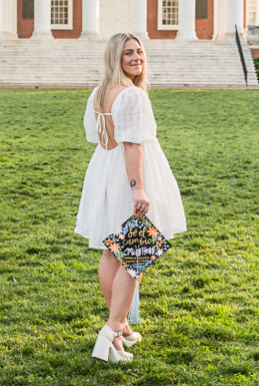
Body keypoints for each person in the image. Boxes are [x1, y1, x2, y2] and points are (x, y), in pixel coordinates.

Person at [75, 32, 187, 363]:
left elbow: (96, 136)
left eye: (139, 51)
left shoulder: (98, 93)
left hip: (104, 171)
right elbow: (132, 145)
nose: (137, 57)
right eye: (128, 53)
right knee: (135, 254)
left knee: (114, 253)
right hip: (128, 174)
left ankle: (121, 328)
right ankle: (110, 332)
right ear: (115, 58)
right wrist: (138, 187)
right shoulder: (133, 96)